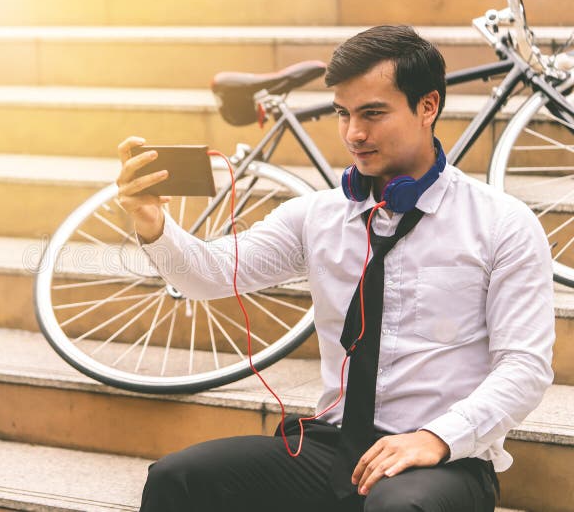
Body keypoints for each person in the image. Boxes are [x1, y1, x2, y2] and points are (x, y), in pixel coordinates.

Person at [115, 25, 555, 512]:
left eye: (372, 114)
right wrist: (155, 225)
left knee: (399, 508)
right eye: (343, 114)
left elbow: (525, 367)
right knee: (179, 477)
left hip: (443, 459)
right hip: (332, 447)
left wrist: (435, 437)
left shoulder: (502, 223)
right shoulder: (317, 216)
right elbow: (211, 274)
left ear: (428, 106)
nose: (353, 134)